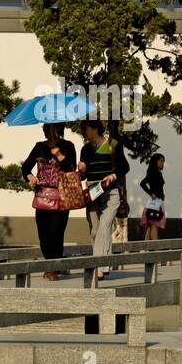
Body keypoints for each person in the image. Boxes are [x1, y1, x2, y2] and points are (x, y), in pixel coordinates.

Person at [21, 123, 77, 280]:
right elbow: (25, 167)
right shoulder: (39, 147)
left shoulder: (68, 146)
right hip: (42, 196)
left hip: (61, 196)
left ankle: (53, 268)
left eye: (48, 128)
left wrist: (59, 155)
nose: (45, 131)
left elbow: (71, 169)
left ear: (57, 129)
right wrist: (30, 176)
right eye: (44, 128)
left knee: (56, 233)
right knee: (43, 233)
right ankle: (49, 264)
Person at [77, 120, 129, 280]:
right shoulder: (85, 149)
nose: (84, 133)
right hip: (93, 191)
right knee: (95, 230)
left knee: (104, 227)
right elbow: (84, 176)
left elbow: (125, 167)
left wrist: (113, 176)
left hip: (111, 191)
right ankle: (102, 262)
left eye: (85, 129)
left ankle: (99, 266)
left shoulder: (113, 144)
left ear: (94, 129)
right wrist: (82, 170)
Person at [139, 152, 167, 240]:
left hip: (157, 203)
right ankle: (156, 250)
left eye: (163, 161)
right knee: (154, 225)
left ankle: (145, 249)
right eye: (161, 161)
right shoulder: (154, 172)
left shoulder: (157, 173)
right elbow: (142, 183)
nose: (163, 163)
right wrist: (151, 193)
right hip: (155, 203)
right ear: (155, 161)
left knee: (151, 226)